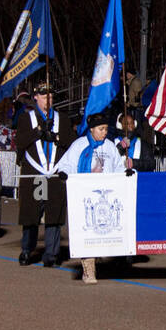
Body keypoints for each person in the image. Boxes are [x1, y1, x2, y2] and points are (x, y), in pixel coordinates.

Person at [54, 111, 125, 284]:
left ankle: (106, 261)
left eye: (106, 129)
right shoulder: (79, 145)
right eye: (101, 129)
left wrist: (126, 173)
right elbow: (65, 164)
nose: (104, 132)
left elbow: (118, 167)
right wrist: (64, 173)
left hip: (106, 196)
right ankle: (88, 269)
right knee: (86, 232)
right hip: (85, 195)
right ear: (92, 129)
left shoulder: (109, 147)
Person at [15, 82, 70, 267]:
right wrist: (38, 132)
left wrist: (55, 137)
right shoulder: (25, 119)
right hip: (36, 173)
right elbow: (20, 142)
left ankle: (51, 254)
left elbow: (70, 141)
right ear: (36, 98)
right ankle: (27, 250)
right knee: (32, 215)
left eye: (51, 97)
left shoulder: (61, 118)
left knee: (54, 215)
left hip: (54, 173)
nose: (49, 100)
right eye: (45, 96)